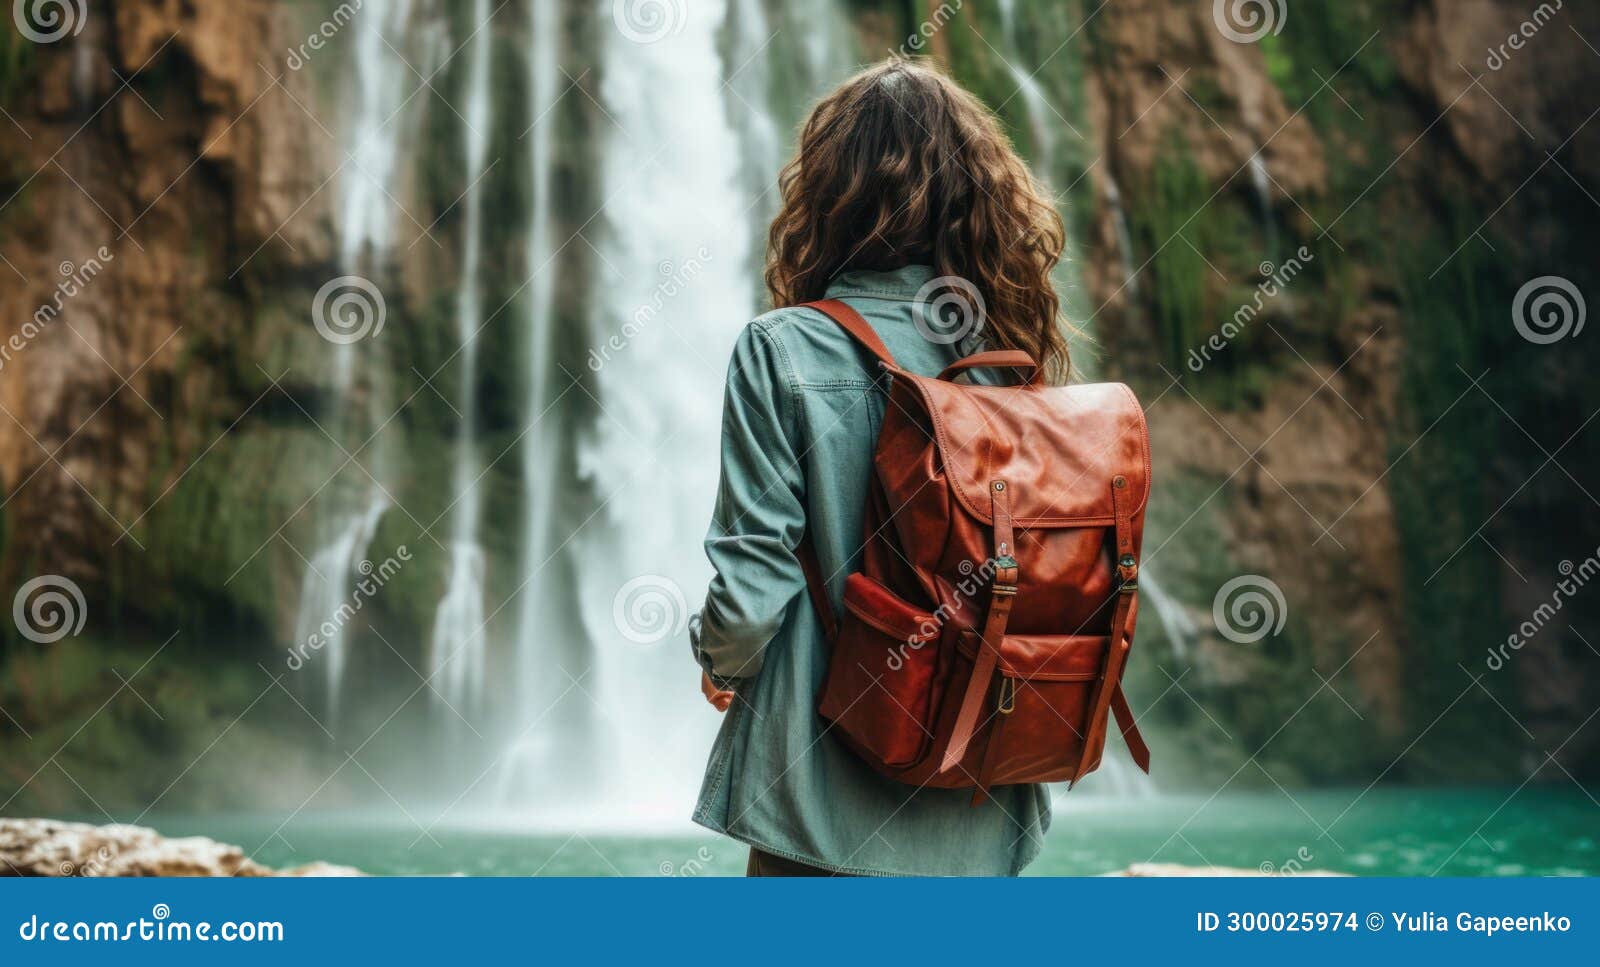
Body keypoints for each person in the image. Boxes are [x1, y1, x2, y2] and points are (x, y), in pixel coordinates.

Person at [689, 58, 1074, 877]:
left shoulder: (779, 349)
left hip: (821, 791)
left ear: (827, 195)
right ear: (978, 196)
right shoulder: (1007, 361)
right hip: (977, 786)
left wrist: (717, 659)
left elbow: (753, 590)